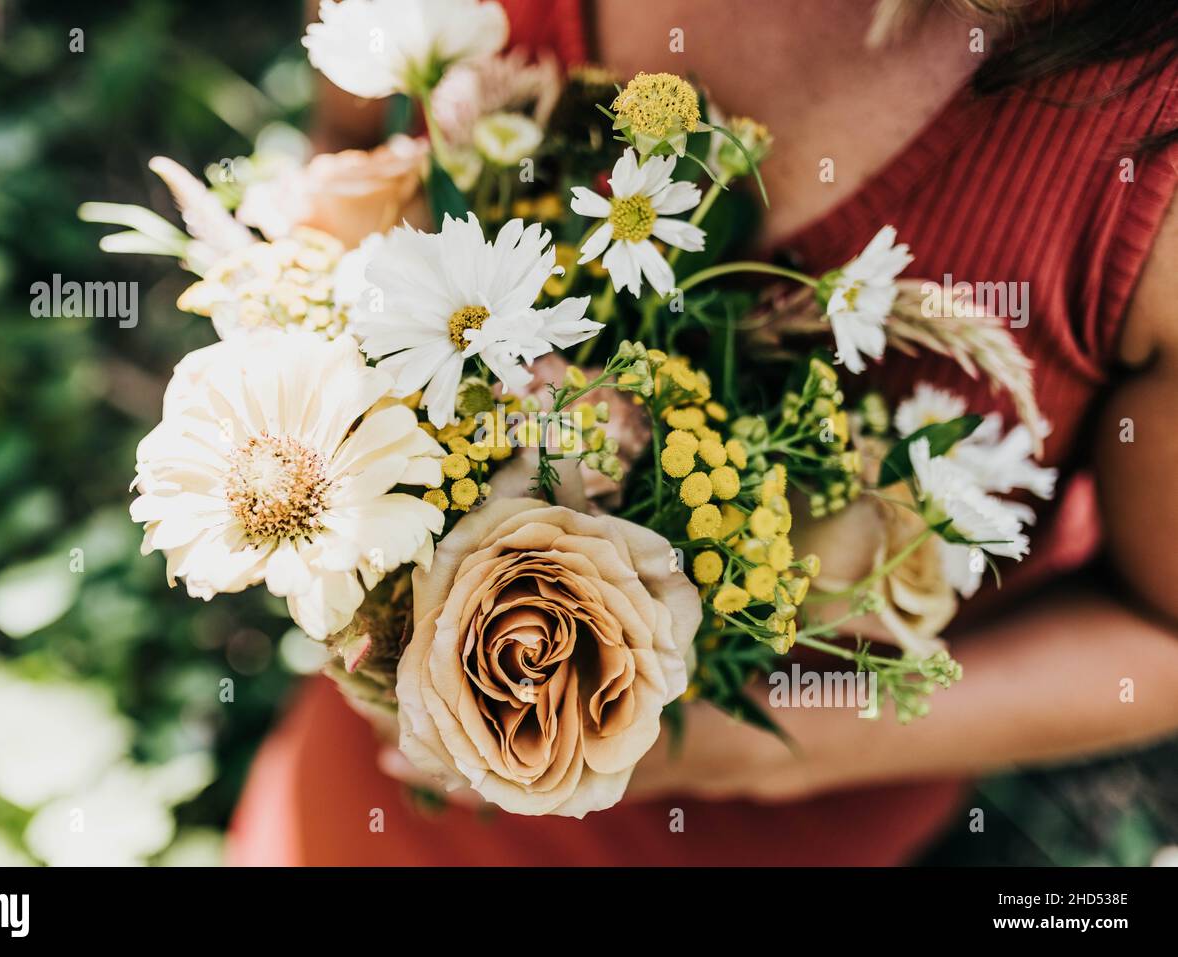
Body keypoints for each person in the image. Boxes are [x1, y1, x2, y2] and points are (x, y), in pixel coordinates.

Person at [227, 0, 1178, 865]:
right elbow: (346, 108)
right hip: (389, 758)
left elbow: (1161, 637)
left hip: (748, 821)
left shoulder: (1146, 168)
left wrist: (764, 745)